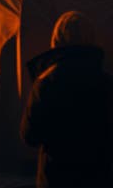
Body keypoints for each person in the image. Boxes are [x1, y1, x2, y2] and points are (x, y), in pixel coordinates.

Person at [21, 11, 113, 188]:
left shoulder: (46, 83)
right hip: (98, 177)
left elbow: (29, 135)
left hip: (56, 177)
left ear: (56, 39)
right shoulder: (106, 82)